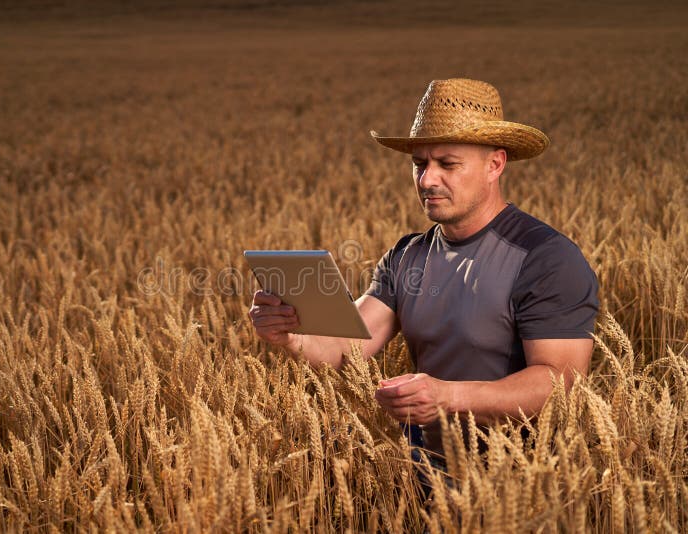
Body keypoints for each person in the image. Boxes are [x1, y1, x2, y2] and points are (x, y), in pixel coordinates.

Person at [248, 78, 599, 472]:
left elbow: (562, 383)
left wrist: (448, 397)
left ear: (495, 164)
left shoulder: (546, 258)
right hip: (421, 477)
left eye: (447, 164)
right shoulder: (407, 255)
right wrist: (293, 335)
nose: (427, 180)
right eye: (420, 164)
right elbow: (349, 349)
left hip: (523, 483)